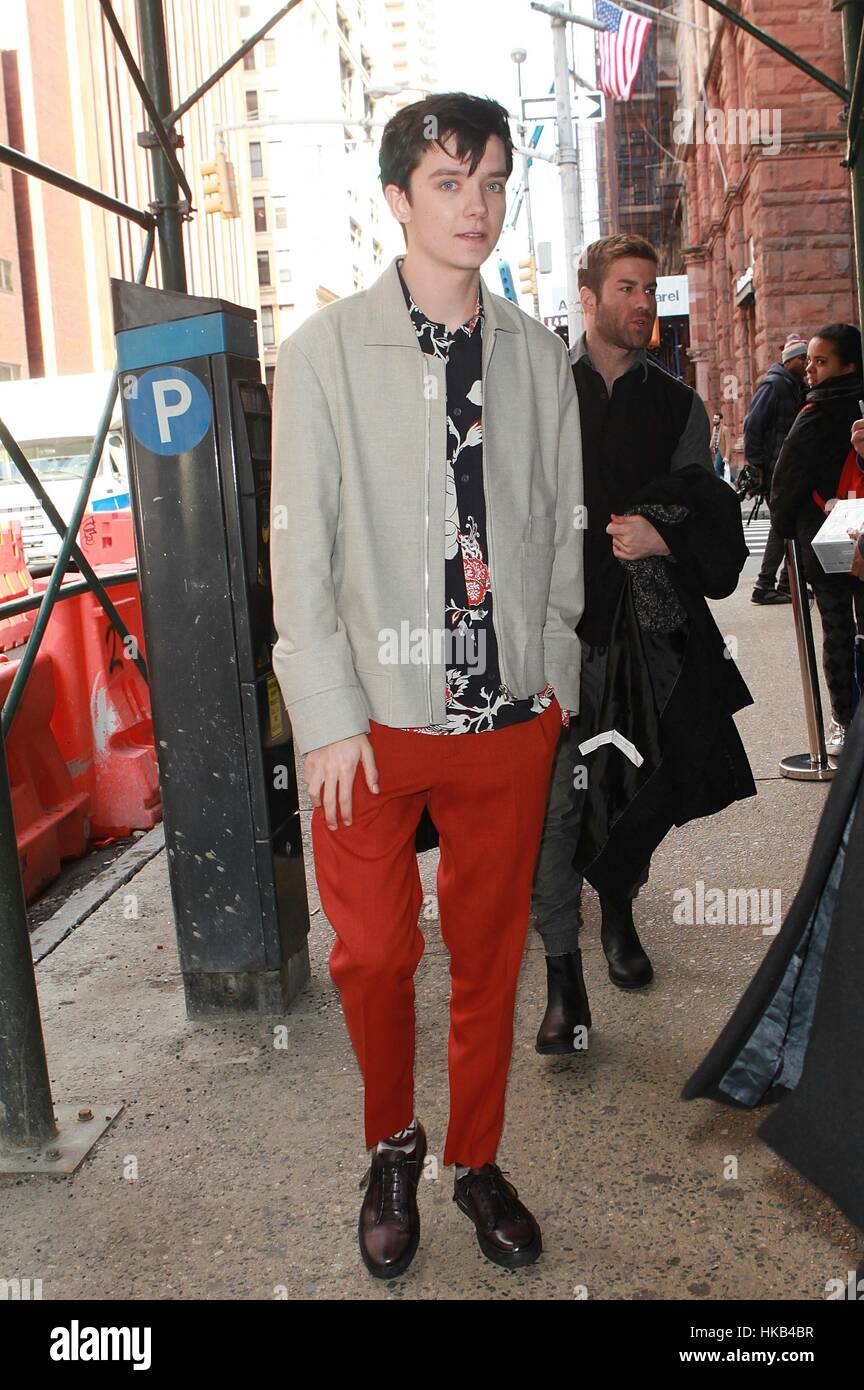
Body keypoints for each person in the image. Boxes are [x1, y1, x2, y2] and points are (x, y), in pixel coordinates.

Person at [270, 92, 584, 1278]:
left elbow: (562, 524)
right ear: (397, 198)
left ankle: (476, 1158)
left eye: (495, 181)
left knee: (491, 953)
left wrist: (551, 674)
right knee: (372, 956)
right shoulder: (324, 352)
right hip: (373, 727)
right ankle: (392, 1142)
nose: (479, 206)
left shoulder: (537, 355)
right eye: (451, 182)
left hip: (506, 716)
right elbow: (299, 553)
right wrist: (328, 718)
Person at [530, 234, 753, 1053]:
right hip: (558, 637)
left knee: (637, 787)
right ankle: (564, 980)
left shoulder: (676, 406)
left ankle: (617, 906)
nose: (642, 304)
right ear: (587, 297)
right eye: (626, 288)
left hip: (649, 638)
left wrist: (661, 534)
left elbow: (707, 511)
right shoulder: (542, 389)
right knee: (555, 809)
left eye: (648, 289)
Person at [770, 323, 864, 757]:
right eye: (809, 360)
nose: (809, 369)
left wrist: (786, 530)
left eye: (820, 361)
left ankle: (844, 721)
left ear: (847, 364)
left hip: (824, 540)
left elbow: (785, 483)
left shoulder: (816, 413)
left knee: (837, 631)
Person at [743, 332, 808, 604]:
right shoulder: (774, 385)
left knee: (788, 523)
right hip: (774, 469)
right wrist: (756, 465)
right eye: (803, 358)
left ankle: (784, 582)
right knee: (781, 524)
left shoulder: (796, 386)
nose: (807, 364)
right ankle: (765, 583)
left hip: (788, 468)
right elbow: (752, 425)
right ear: (790, 360)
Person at [710, 409, 730, 481]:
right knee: (721, 470)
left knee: (716, 469)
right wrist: (709, 447)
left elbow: (728, 444)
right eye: (713, 418)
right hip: (716, 451)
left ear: (720, 420)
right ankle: (735, 482)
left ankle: (718, 485)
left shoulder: (725, 429)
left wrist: (727, 457)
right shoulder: (714, 428)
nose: (714, 420)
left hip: (722, 452)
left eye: (716, 419)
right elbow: (712, 438)